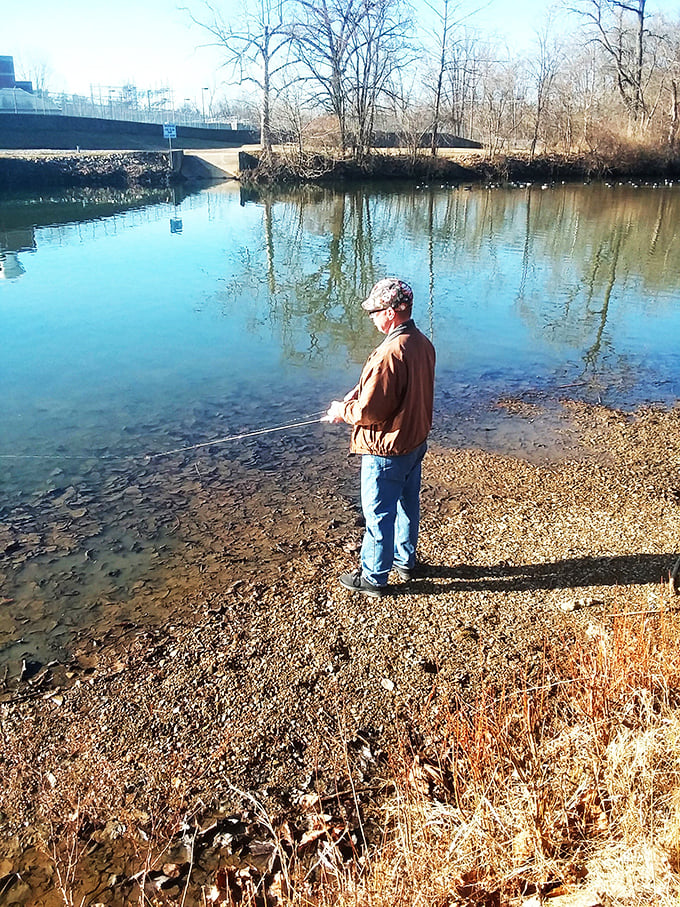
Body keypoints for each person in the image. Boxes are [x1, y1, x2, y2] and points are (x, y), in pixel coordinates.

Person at [324, 277, 436, 598]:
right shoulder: (421, 343)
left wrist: (341, 410)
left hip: (387, 450)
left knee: (378, 513)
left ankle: (373, 576)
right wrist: (355, 396)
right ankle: (405, 560)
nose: (371, 316)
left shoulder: (391, 352)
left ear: (391, 312)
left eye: (375, 310)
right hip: (414, 443)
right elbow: (397, 392)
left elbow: (369, 412)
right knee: (407, 505)